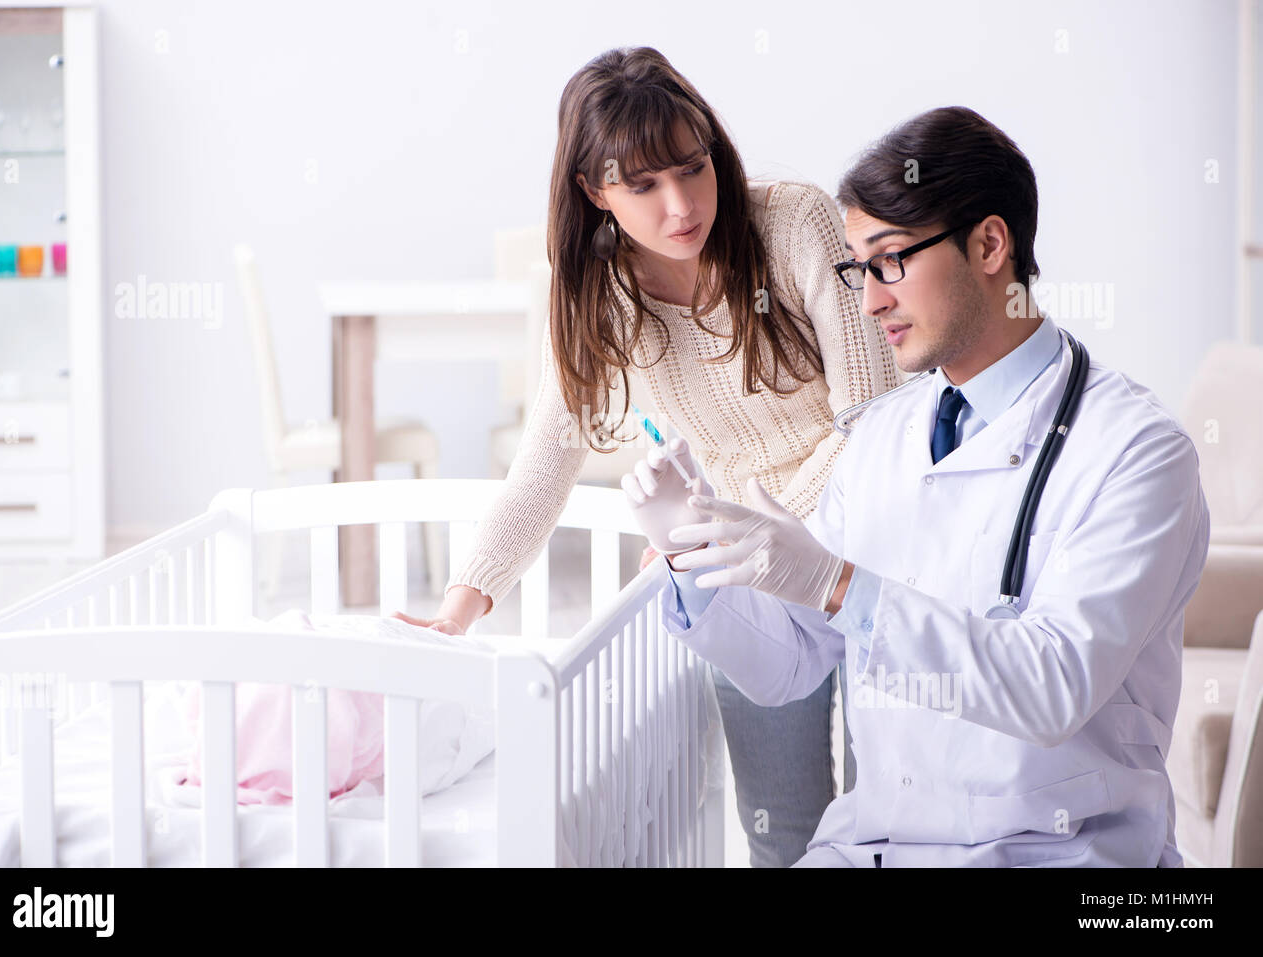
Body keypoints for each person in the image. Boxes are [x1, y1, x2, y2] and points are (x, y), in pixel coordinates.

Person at [625, 105, 1211, 866]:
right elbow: (792, 663)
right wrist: (689, 550)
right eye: (858, 269)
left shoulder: (1136, 450)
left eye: (891, 260)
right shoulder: (880, 435)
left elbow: (1053, 685)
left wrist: (838, 583)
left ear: (990, 244)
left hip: (1057, 849)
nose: (871, 301)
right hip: (875, 842)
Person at [390, 46, 901, 866]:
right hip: (746, 577)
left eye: (693, 167)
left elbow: (873, 422)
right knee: (782, 832)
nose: (681, 204)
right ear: (595, 191)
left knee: (897, 824)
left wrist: (745, 530)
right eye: (644, 185)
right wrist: (459, 608)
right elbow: (543, 466)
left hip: (870, 547)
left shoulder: (794, 223)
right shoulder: (596, 291)